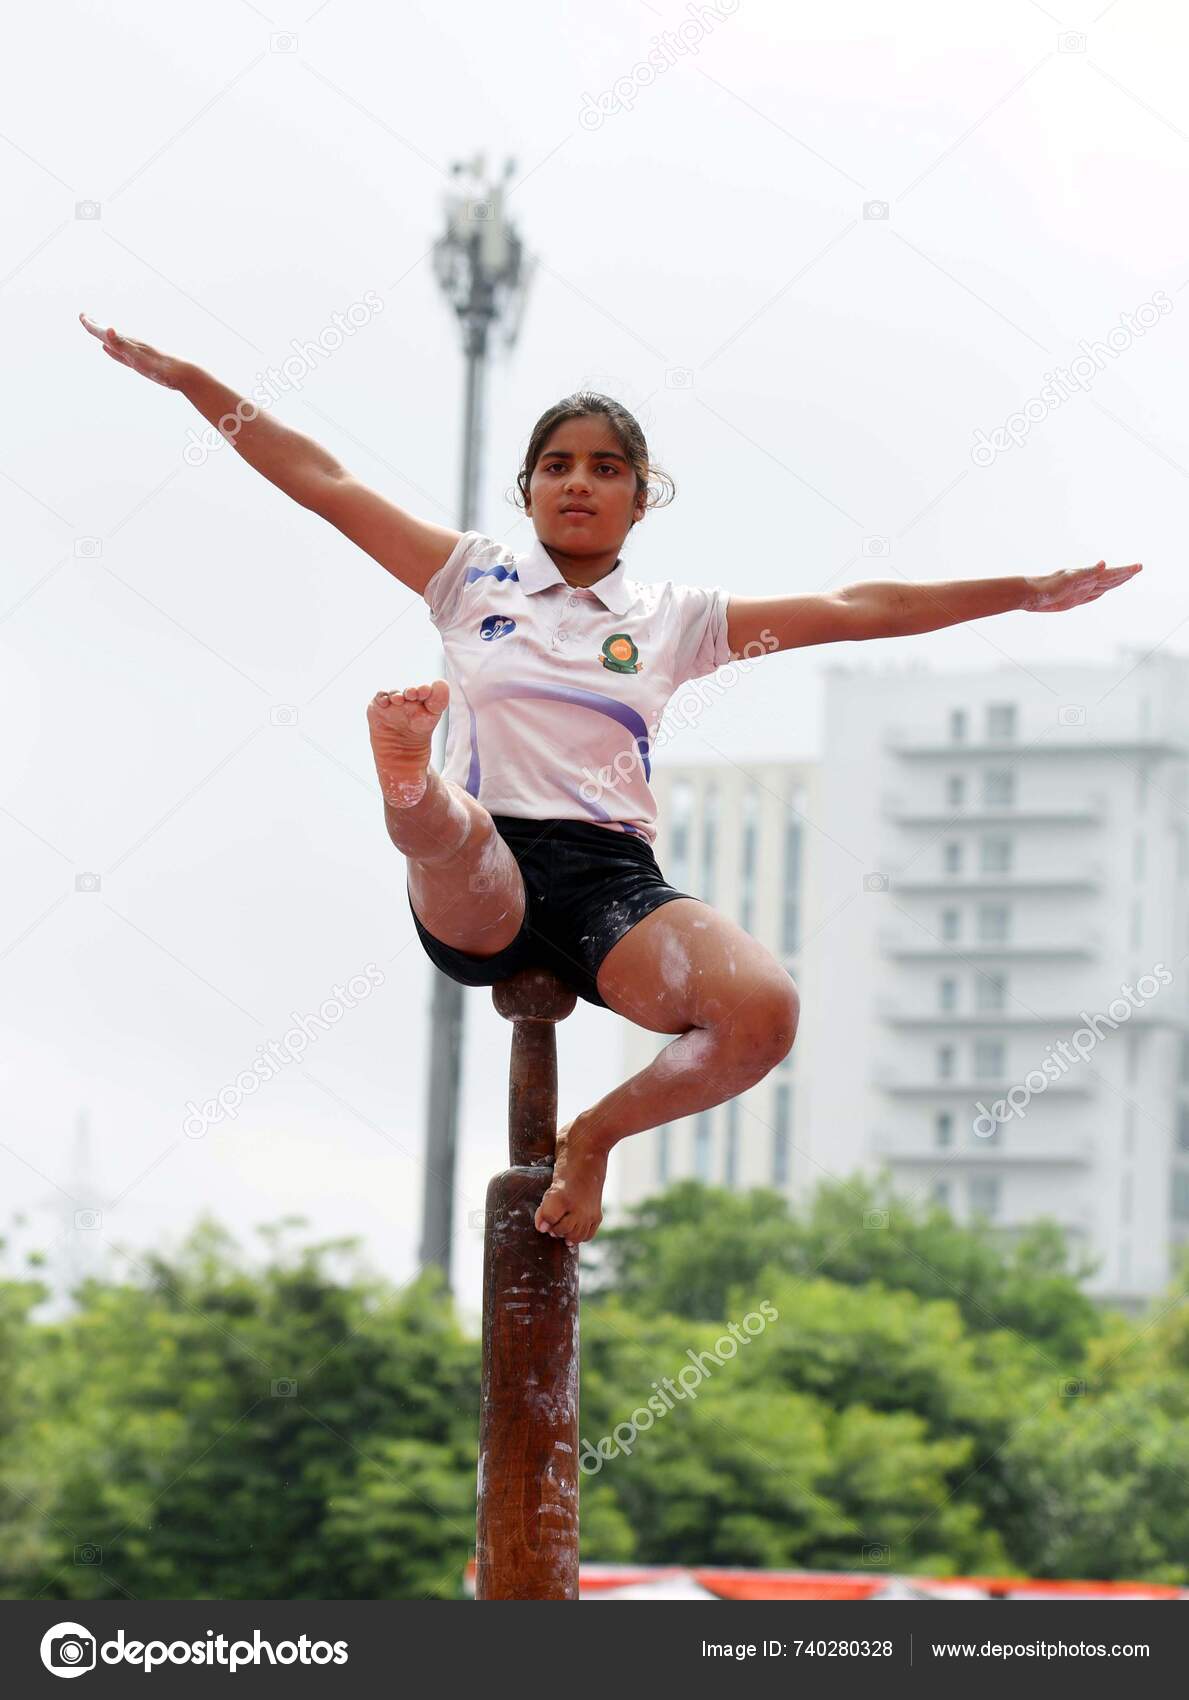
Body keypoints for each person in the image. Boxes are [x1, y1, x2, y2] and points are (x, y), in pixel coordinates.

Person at [79, 313, 1143, 1249]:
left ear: (639, 496)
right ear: (529, 487)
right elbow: (323, 480)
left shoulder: (676, 620)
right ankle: (406, 777)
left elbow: (860, 606)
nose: (578, 480)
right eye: (556, 464)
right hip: (483, 853)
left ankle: (594, 1137)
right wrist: (193, 382)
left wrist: (1021, 591)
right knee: (447, 829)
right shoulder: (468, 577)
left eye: (603, 466)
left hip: (609, 882)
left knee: (762, 1011)